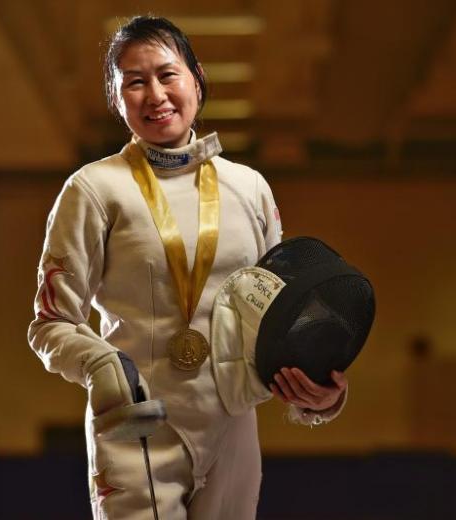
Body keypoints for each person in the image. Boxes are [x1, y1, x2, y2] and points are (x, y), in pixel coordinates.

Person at [28, 15, 348, 520]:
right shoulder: (94, 190)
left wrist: (318, 394)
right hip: (139, 425)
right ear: (117, 100)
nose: (154, 94)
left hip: (233, 430)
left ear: (196, 80)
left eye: (166, 74)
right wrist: (100, 364)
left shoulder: (250, 189)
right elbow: (50, 326)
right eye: (134, 82)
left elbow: (276, 321)